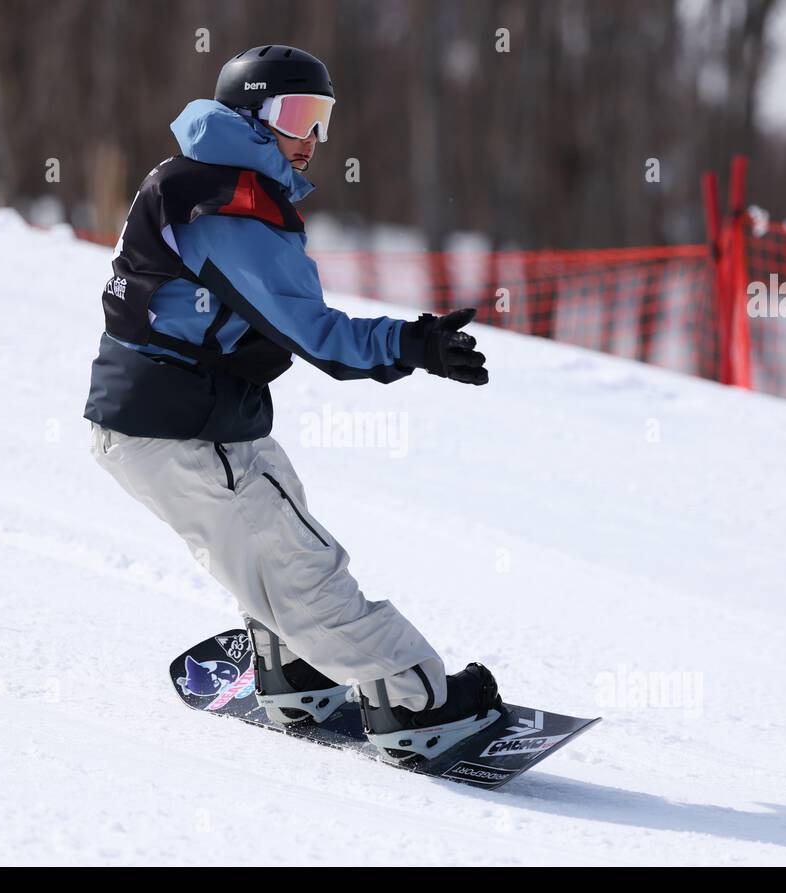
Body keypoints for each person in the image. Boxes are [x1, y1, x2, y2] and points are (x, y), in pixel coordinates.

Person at [83, 44, 501, 762]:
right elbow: (318, 336)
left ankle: (292, 670)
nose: (311, 139)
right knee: (301, 560)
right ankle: (412, 702)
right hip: (179, 428)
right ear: (248, 116)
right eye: (295, 116)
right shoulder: (229, 203)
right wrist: (414, 344)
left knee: (277, 519)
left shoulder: (198, 177)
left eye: (321, 118)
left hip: (179, 418)